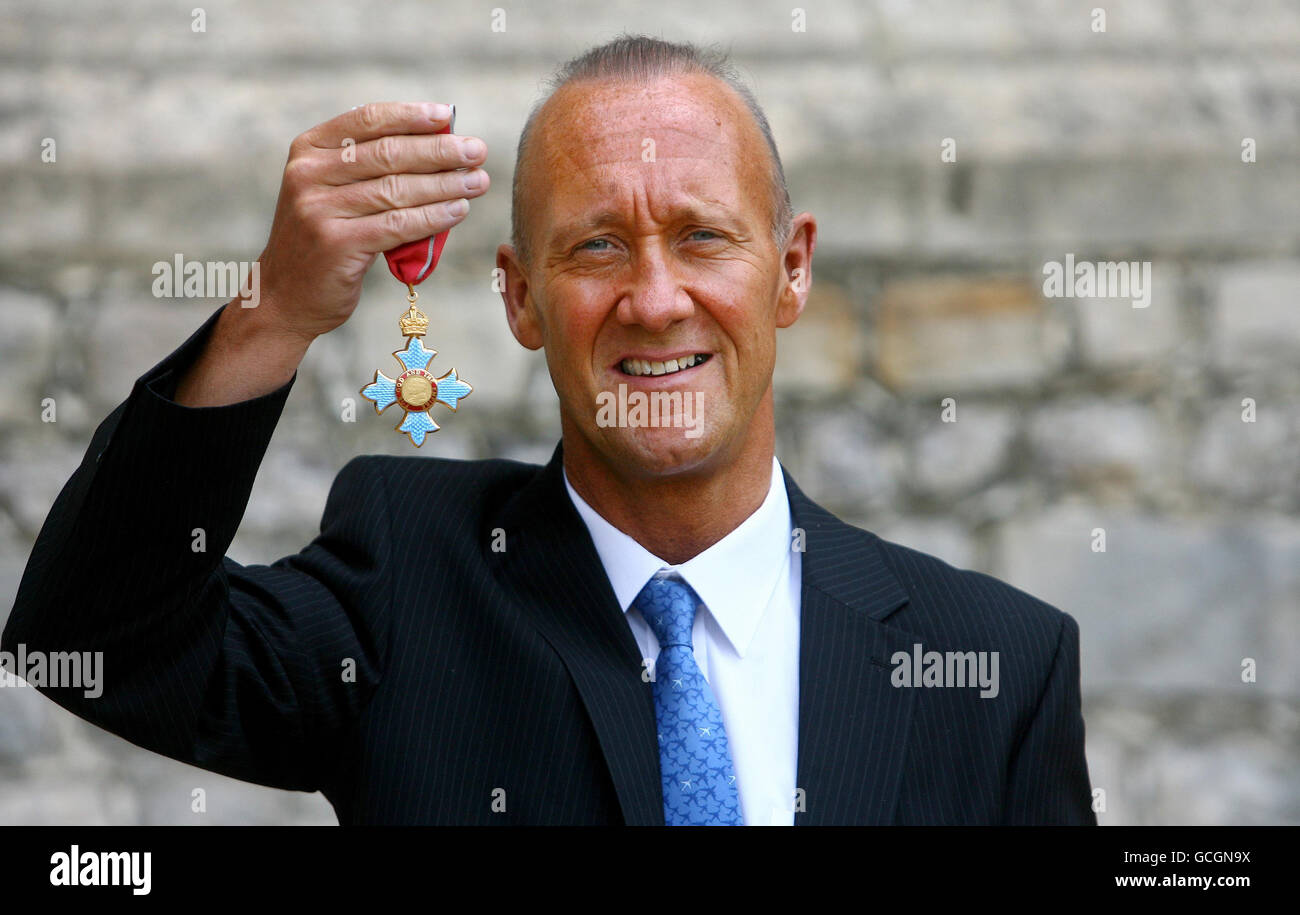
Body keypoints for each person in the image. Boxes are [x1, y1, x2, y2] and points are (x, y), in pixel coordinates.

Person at [3, 35, 1096, 825]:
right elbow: (96, 640)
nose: (656, 299)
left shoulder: (997, 663)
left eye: (703, 236)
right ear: (520, 300)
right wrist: (274, 312)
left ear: (792, 269)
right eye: (597, 249)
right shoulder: (408, 590)